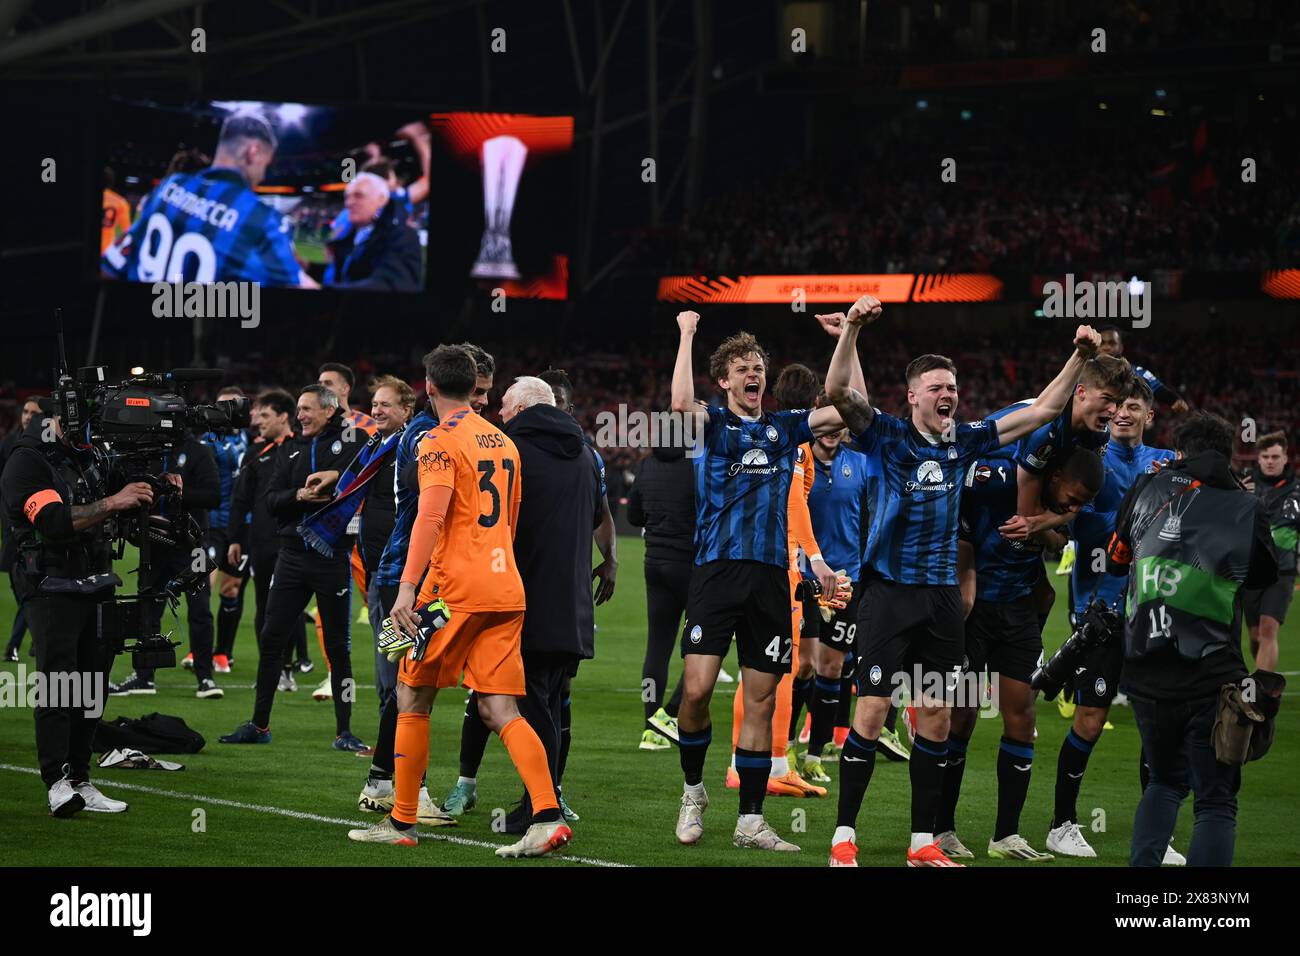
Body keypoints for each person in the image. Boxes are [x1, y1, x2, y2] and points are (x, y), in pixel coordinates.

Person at [822, 294, 1101, 867]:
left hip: (943, 600)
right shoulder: (887, 437)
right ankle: (843, 835)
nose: (947, 394)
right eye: (936, 386)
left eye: (952, 385)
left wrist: (1077, 358)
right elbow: (838, 396)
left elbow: (1041, 412)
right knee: (871, 713)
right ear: (913, 396)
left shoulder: (967, 440)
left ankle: (922, 842)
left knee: (939, 716)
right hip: (889, 594)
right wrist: (850, 329)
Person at [347, 346, 571, 858]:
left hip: (452, 591)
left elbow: (430, 517)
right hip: (505, 589)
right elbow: (510, 519)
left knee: (412, 696)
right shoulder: (504, 441)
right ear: (474, 386)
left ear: (427, 387)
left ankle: (401, 819)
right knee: (499, 707)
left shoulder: (437, 442)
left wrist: (407, 591)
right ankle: (547, 814)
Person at [668, 310, 850, 854]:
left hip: (771, 576)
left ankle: (750, 819)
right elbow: (679, 404)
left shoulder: (784, 427)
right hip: (717, 572)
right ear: (723, 380)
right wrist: (686, 334)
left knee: (762, 698)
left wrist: (846, 340)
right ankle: (693, 789)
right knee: (697, 689)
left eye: (759, 368)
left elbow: (841, 407)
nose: (754, 375)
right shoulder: (714, 425)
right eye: (743, 368)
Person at [1110, 412, 1278, 866]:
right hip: (1212, 673)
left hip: (1144, 671)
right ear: (1227, 457)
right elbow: (1263, 573)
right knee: (1216, 800)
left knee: (1164, 783)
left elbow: (1115, 558)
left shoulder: (1146, 489)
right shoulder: (1246, 507)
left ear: (1178, 453)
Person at [936, 445, 1103, 862]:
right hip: (974, 611)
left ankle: (1005, 835)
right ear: (1055, 473)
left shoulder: (1055, 505)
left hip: (1020, 610)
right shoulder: (997, 478)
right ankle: (941, 830)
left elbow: (1065, 536)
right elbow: (956, 512)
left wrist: (1041, 527)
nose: (1075, 505)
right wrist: (965, 574)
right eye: (1074, 496)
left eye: (1083, 502)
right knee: (961, 716)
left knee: (1023, 717)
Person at [1047, 376, 1181, 861]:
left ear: (1151, 416)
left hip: (1154, 615)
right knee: (1089, 718)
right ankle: (1061, 825)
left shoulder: (1169, 465)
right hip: (1100, 614)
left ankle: (1156, 837)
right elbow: (1066, 514)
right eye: (1119, 406)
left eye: (1135, 407)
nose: (1124, 413)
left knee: (1157, 725)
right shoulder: (1089, 457)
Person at [358, 343, 493, 824]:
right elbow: (433, 508)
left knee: (409, 685)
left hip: (426, 575)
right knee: (407, 685)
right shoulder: (425, 434)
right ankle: (397, 791)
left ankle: (383, 781)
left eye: (485, 395)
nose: (479, 403)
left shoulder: (454, 432)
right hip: (405, 574)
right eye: (474, 392)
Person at [1, 398, 154, 815]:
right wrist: (113, 501)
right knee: (58, 683)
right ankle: (56, 782)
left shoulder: (93, 457)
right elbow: (52, 521)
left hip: (96, 580)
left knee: (92, 687)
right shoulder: (28, 460)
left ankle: (82, 780)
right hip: (50, 585)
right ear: (57, 420)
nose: (92, 431)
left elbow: (130, 502)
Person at [218, 384, 367, 749]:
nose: (299, 415)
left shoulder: (352, 440)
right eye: (298, 409)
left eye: (306, 409)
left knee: (337, 645)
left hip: (332, 557)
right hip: (291, 556)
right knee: (271, 638)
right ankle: (259, 725)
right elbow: (271, 501)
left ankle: (344, 731)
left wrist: (332, 480)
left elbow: (365, 461)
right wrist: (300, 495)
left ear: (329, 411)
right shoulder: (291, 450)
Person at [491, 375, 604, 830]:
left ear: (520, 409)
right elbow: (598, 516)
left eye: (503, 406)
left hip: (527, 597)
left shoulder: (512, 452)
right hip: (573, 604)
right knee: (551, 704)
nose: (498, 414)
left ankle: (542, 807)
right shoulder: (584, 455)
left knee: (529, 705)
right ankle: (541, 798)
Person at [101, 112, 318, 288]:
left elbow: (111, 265)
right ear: (253, 152)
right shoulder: (262, 218)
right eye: (265, 165)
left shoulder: (168, 187)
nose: (262, 176)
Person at [109, 431, 223, 699]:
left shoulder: (198, 451)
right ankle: (144, 677)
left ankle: (205, 678)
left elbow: (213, 495)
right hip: (155, 544)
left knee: (200, 610)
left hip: (191, 544)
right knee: (148, 609)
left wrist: (175, 494)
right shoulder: (147, 452)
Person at [227, 390, 310, 689]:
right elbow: (240, 500)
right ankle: (271, 670)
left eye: (264, 415)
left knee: (287, 607)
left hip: (295, 542)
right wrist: (235, 539)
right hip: (261, 542)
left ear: (283, 416)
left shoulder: (304, 448)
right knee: (264, 606)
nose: (257, 421)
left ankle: (288, 668)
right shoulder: (255, 454)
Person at [309, 362, 376, 700]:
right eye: (318, 382)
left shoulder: (369, 424)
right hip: (332, 530)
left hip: (366, 529)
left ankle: (407, 668)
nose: (322, 387)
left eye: (328, 383)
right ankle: (334, 674)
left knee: (380, 603)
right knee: (327, 606)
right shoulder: (318, 432)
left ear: (346, 389)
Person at [627, 442, 695, 751]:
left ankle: (649, 727)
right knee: (702, 647)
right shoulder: (697, 465)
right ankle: (669, 715)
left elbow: (633, 516)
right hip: (691, 565)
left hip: (654, 562)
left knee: (657, 648)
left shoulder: (646, 465)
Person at [196, 386, 250, 674]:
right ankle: (199, 648)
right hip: (213, 524)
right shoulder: (207, 441)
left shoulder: (250, 438)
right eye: (221, 405)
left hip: (241, 526)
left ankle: (222, 654)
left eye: (232, 406)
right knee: (205, 584)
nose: (225, 412)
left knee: (232, 589)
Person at [1242, 431, 1298, 672]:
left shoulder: (1297, 491)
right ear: (1259, 458)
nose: (1270, 461)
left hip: (1282, 571)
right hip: (1251, 571)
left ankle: (1263, 694)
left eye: (1276, 456)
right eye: (1265, 456)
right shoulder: (1244, 488)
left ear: (1286, 458)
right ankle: (1261, 675)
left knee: (1267, 629)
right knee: (1255, 636)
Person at [325, 172, 422, 292]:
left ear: (381, 199)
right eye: (347, 197)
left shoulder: (402, 236)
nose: (348, 203)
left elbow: (392, 284)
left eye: (358, 195)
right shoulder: (351, 235)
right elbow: (348, 275)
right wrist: (310, 269)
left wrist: (330, 292)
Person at [3, 396, 43, 661]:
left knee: (31, 594)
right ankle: (38, 639)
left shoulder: (44, 448)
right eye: (25, 411)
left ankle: (16, 645)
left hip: (34, 534)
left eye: (33, 413)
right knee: (26, 595)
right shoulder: (9, 444)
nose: (28, 416)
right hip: (10, 534)